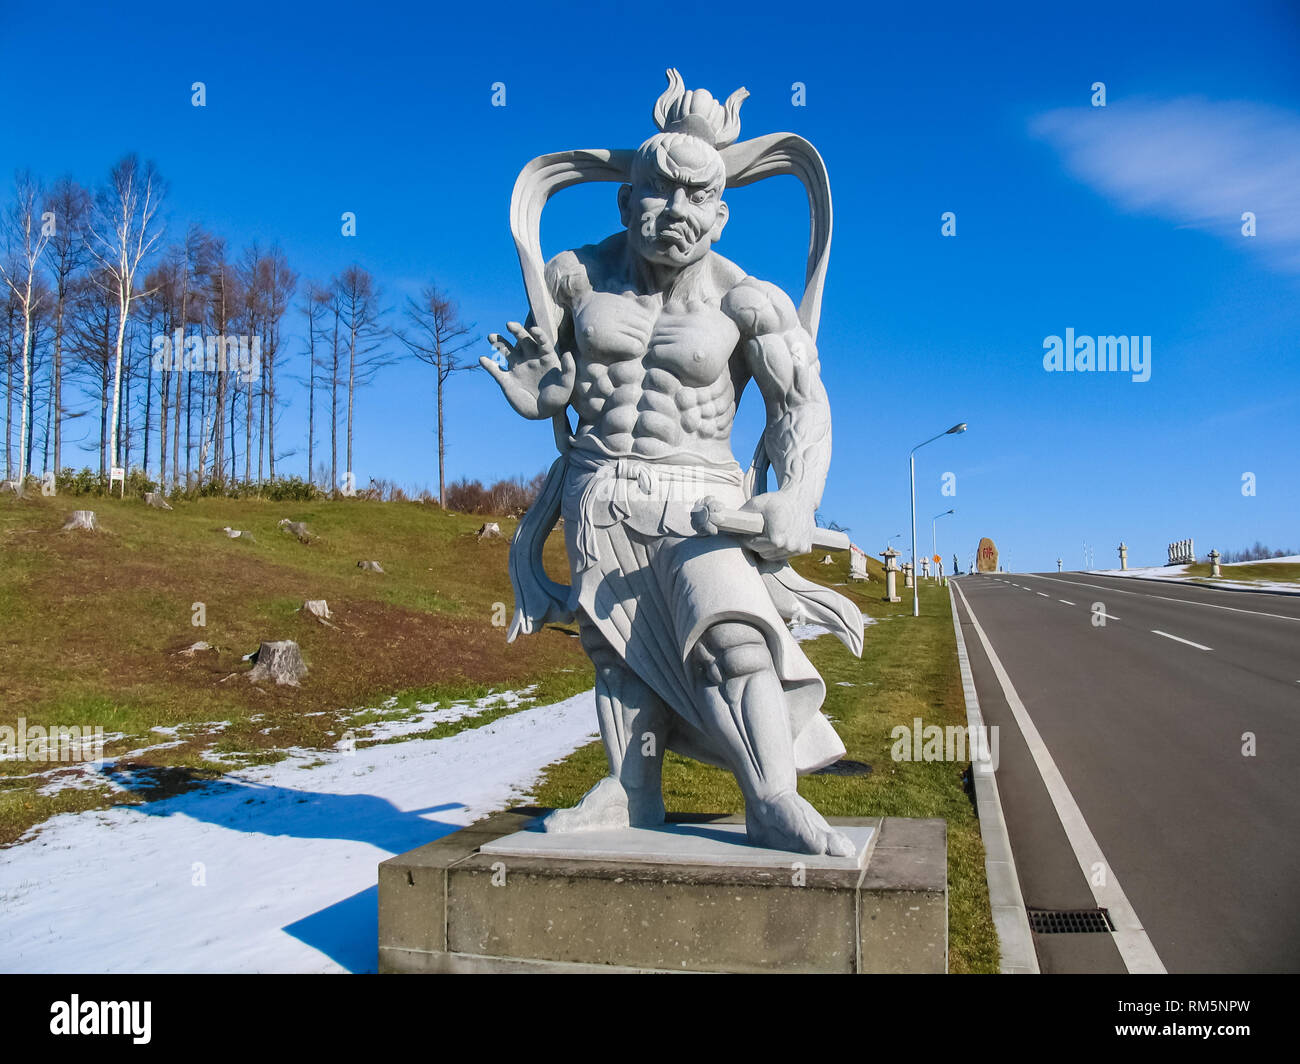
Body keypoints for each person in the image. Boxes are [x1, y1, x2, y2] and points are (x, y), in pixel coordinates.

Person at [482, 72, 862, 855]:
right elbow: (548, 380)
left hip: (702, 498)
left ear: (721, 213)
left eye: (697, 197)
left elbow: (803, 405)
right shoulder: (574, 276)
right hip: (601, 491)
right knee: (615, 655)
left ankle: (771, 798)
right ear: (626, 199)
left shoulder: (748, 300)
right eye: (658, 191)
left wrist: (798, 496)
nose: (676, 212)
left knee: (736, 641)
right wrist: (543, 398)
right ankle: (631, 792)